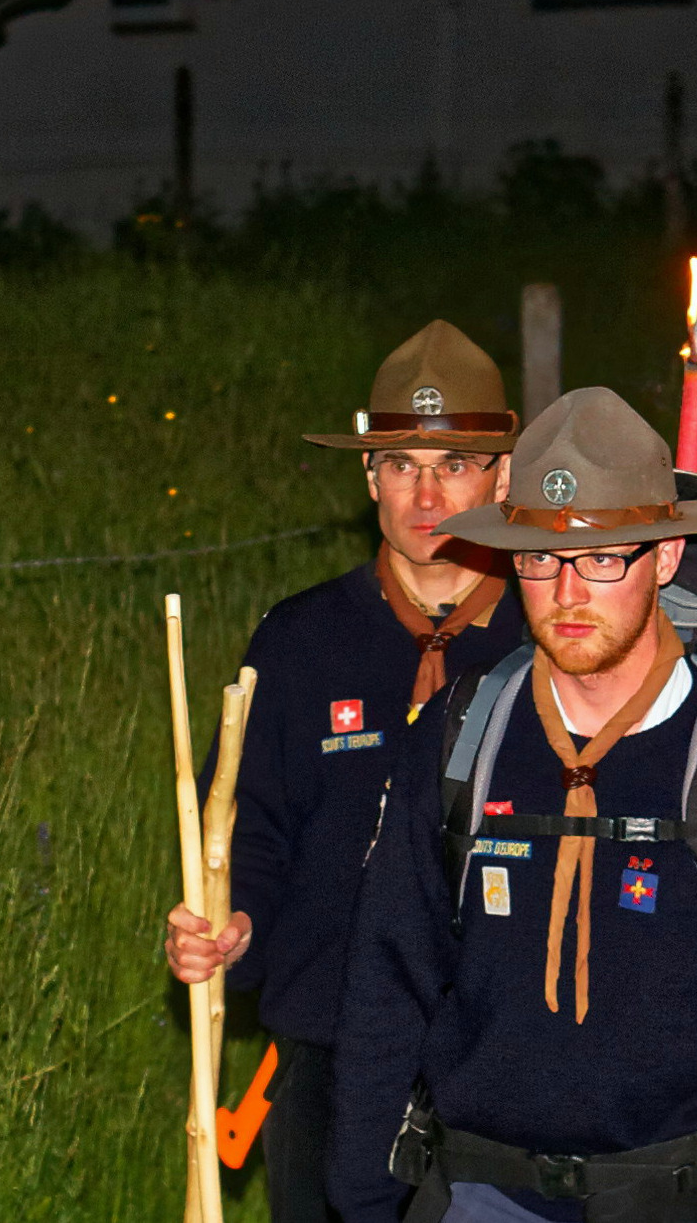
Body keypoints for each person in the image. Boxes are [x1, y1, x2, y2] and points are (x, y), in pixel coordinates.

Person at [330, 387, 697, 1223]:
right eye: (539, 558)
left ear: (664, 557)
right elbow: (387, 980)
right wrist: (364, 1198)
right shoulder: (460, 734)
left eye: (602, 558)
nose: (566, 592)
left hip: (688, 1200)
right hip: (485, 1196)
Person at [163, 319, 526, 1223]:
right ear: (369, 477)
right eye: (401, 465)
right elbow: (250, 831)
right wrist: (231, 926)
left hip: (501, 1058)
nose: (427, 494)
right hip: (326, 1051)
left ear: (503, 475)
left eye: (454, 464)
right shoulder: (300, 642)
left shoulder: (547, 640)